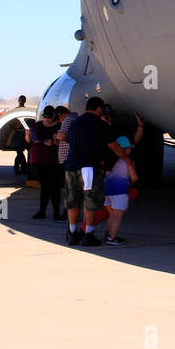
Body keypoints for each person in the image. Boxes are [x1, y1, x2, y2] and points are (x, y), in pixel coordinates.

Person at [64, 96, 124, 247]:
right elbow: (112, 145)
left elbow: (69, 141)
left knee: (73, 201)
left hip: (71, 167)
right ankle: (88, 235)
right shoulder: (100, 124)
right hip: (89, 168)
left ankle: (72, 233)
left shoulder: (75, 123)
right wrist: (127, 159)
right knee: (90, 202)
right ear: (98, 108)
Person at [29, 106, 64, 220]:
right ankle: (42, 211)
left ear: (54, 116)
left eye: (49, 117)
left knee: (54, 187)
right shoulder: (37, 126)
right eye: (45, 117)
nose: (47, 119)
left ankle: (56, 212)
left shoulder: (59, 126)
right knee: (45, 187)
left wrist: (54, 142)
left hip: (54, 161)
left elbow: (63, 140)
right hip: (39, 161)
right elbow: (32, 139)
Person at [103, 136, 139, 244]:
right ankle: (112, 238)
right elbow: (134, 178)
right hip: (120, 192)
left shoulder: (109, 160)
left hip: (106, 192)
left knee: (112, 215)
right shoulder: (129, 162)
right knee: (117, 217)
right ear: (126, 149)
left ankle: (109, 234)